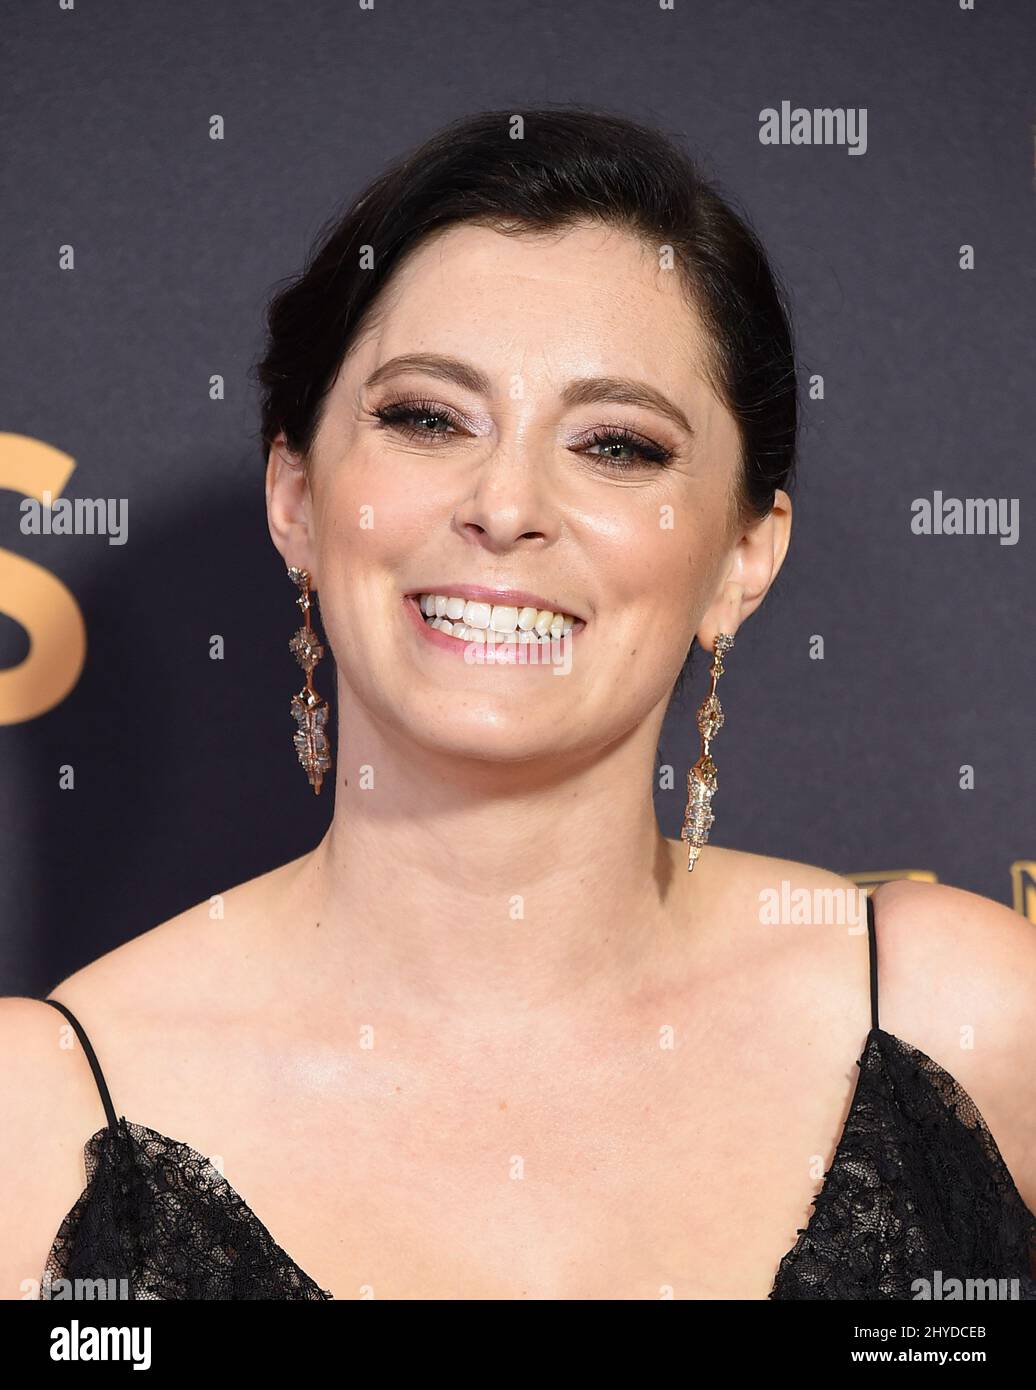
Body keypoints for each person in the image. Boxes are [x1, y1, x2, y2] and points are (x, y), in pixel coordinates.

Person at [2, 106, 1034, 1301]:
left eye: (617, 445)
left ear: (744, 555)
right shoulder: (45, 1123)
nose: (504, 502)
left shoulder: (957, 1016)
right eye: (427, 418)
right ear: (295, 495)